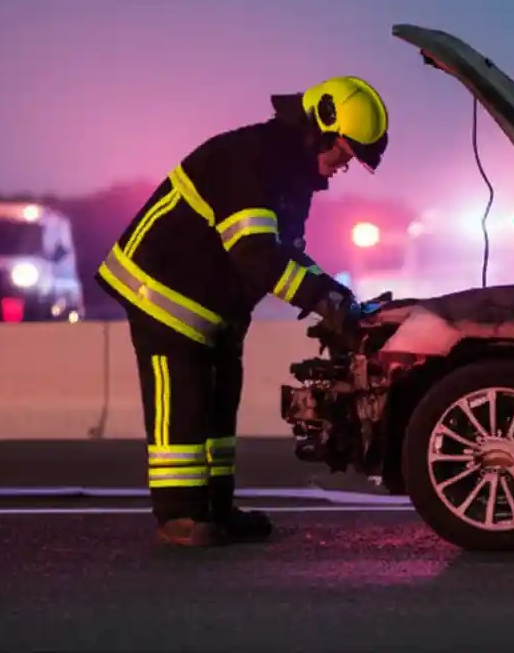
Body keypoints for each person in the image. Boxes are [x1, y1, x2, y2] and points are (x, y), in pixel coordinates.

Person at [95, 76, 389, 547]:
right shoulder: (249, 160)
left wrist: (339, 297)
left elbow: (287, 252)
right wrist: (324, 303)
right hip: (163, 295)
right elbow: (255, 254)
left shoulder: (290, 176)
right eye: (344, 153)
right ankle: (178, 518)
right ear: (321, 127)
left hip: (215, 306)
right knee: (183, 403)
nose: (342, 166)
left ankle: (216, 510)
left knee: (220, 403)